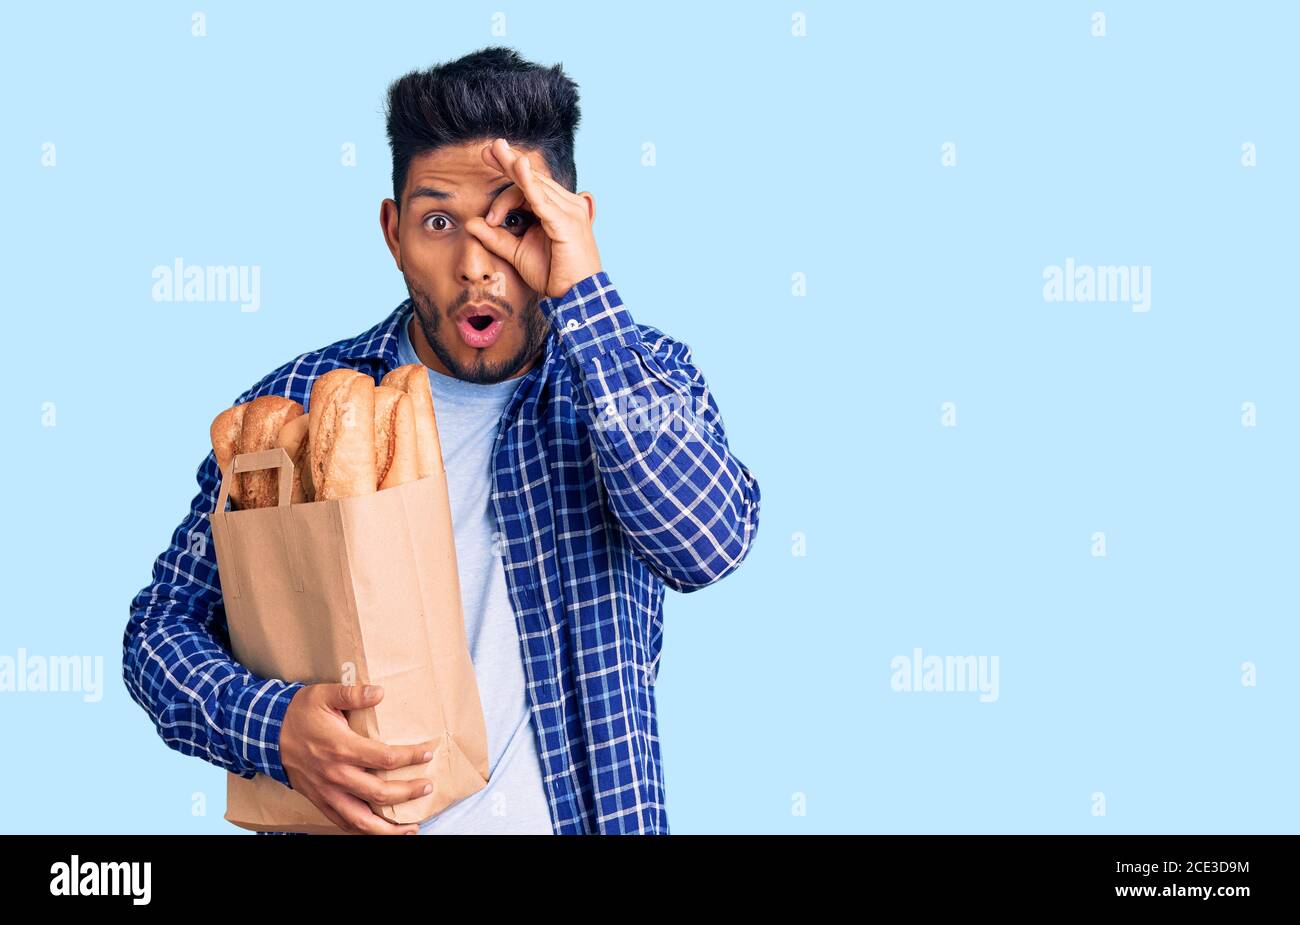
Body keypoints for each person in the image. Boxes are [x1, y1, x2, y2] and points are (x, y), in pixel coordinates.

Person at [123, 45, 761, 835]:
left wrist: (589, 301)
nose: (475, 265)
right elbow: (159, 631)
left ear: (573, 222)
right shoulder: (290, 408)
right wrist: (274, 726)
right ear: (393, 233)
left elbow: (708, 544)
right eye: (437, 222)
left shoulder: (637, 373)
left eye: (515, 219)